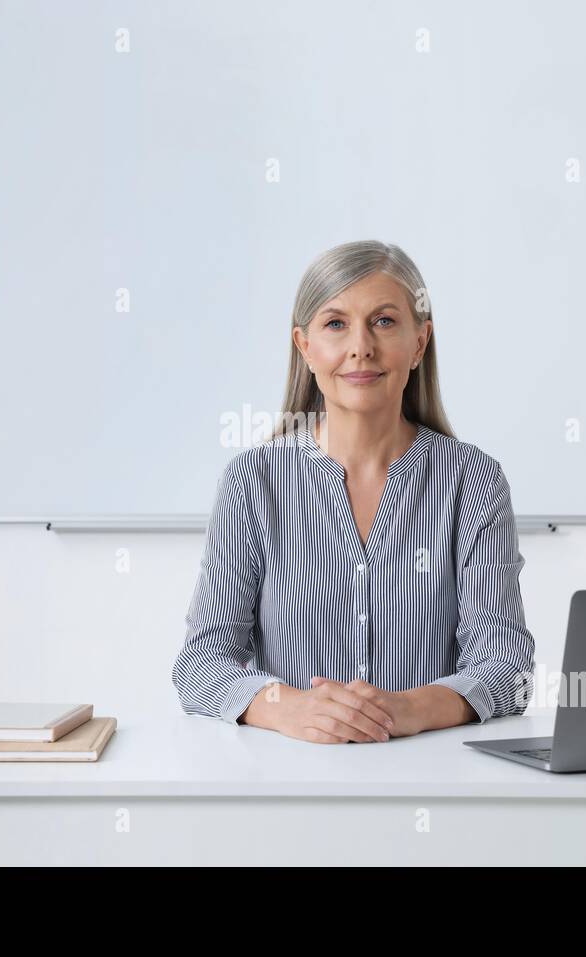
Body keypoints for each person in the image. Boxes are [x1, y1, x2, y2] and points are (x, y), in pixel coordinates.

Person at [171, 240, 535, 743]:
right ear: (305, 346)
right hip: (289, 779)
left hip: (432, 782)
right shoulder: (251, 481)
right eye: (335, 324)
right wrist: (289, 709)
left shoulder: (474, 481)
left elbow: (508, 669)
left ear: (419, 342)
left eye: (384, 321)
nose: (361, 346)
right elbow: (200, 663)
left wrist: (407, 709)